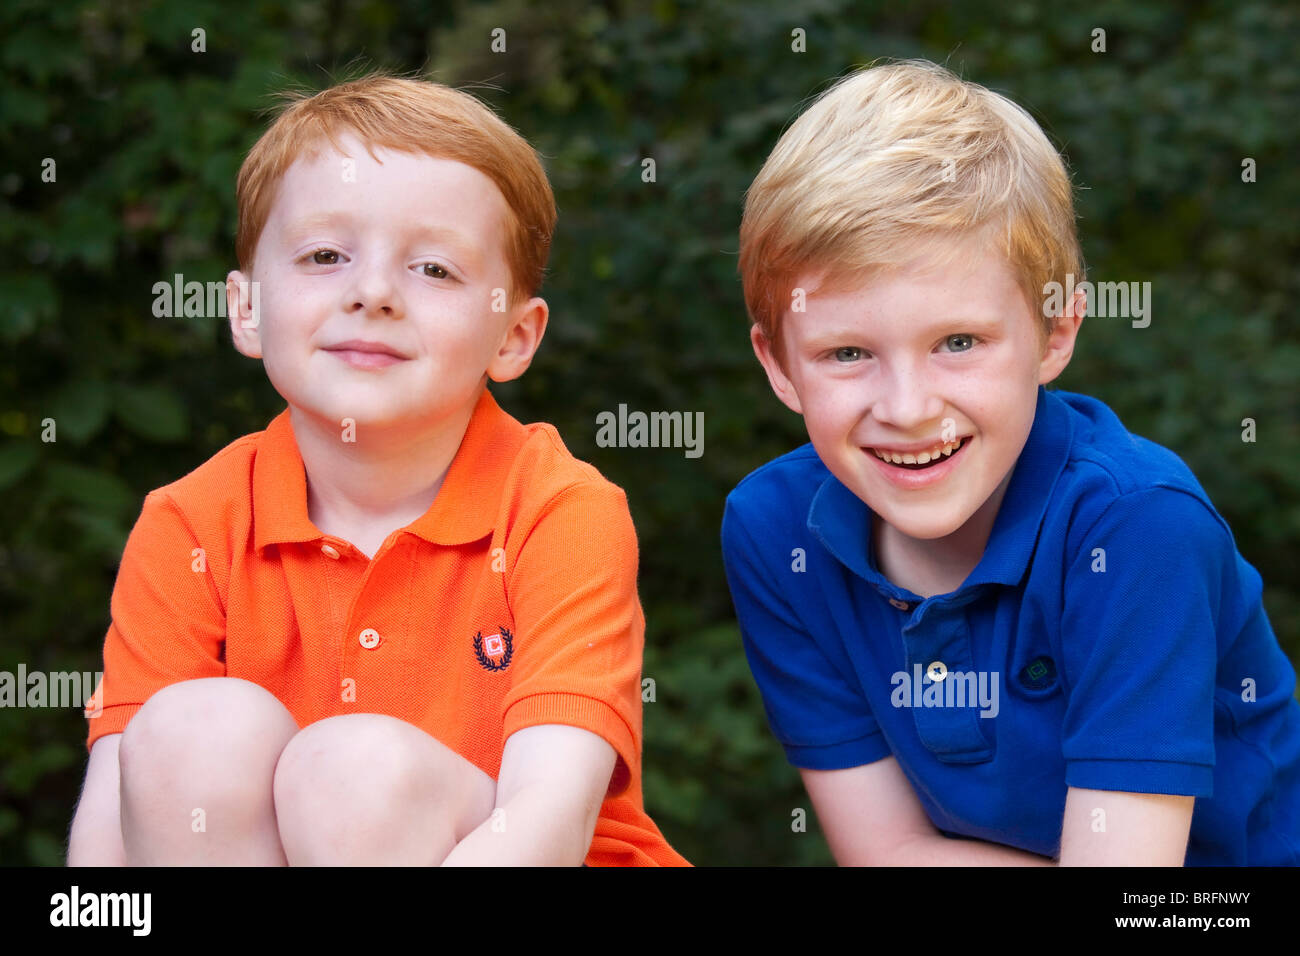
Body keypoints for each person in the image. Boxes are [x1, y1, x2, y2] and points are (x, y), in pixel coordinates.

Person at [67, 74, 687, 866]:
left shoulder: (560, 510)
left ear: (515, 338)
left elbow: (549, 825)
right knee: (189, 729)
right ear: (247, 309)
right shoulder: (191, 523)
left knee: (356, 771)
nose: (372, 294)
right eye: (326, 255)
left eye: (433, 270)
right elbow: (108, 836)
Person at [722, 58, 1300, 865]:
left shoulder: (1138, 527)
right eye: (848, 352)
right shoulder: (775, 528)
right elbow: (885, 850)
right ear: (779, 364)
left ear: (1056, 330)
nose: (909, 406)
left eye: (958, 342)